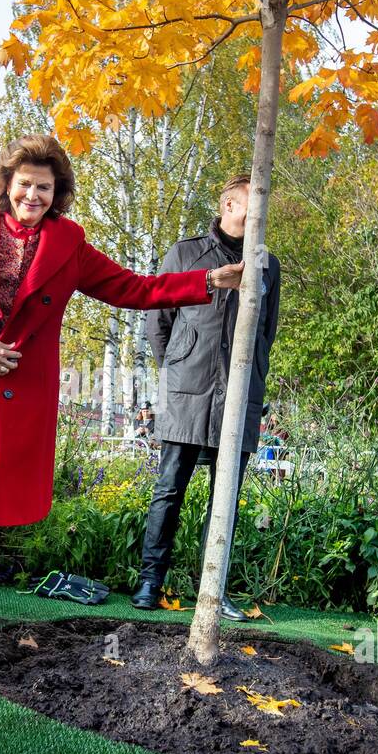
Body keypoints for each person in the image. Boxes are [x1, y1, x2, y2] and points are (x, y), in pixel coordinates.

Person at [0, 134, 244, 670]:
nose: (32, 195)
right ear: (6, 184)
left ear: (58, 194)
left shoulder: (69, 244)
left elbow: (135, 289)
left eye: (45, 187)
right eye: (25, 184)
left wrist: (209, 280)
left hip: (16, 396)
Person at [131, 174, 281, 620]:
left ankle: (213, 590)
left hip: (238, 396)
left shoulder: (267, 264)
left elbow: (267, 332)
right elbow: (158, 319)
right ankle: (149, 583)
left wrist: (252, 373)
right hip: (187, 391)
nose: (261, 214)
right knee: (168, 490)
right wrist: (178, 364)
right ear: (229, 205)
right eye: (254, 203)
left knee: (226, 496)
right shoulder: (186, 253)